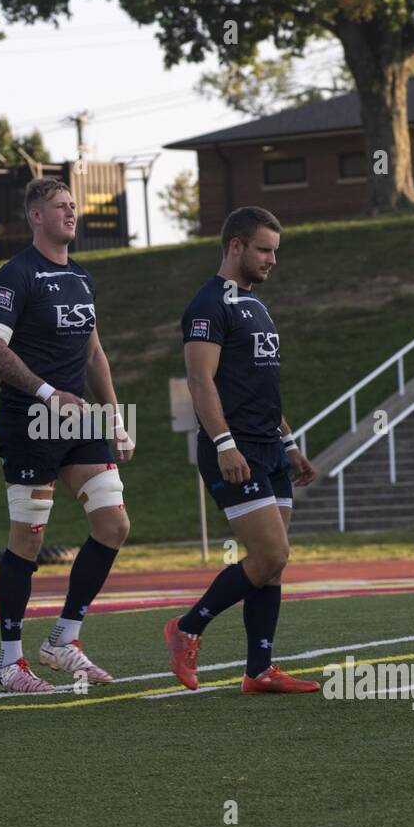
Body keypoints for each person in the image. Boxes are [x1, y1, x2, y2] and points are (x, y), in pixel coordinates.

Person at [0, 177, 134, 694]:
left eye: (73, 205)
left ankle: (63, 639)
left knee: (113, 525)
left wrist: (114, 416)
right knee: (28, 539)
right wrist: (46, 393)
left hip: (78, 419)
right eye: (60, 206)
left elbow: (93, 354)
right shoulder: (15, 275)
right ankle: (8, 663)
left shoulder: (82, 278)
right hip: (29, 418)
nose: (71, 212)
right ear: (35, 217)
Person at [163, 207, 320, 694]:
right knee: (272, 551)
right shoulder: (209, 304)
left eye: (275, 251)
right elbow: (199, 381)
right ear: (235, 246)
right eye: (263, 249)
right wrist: (225, 443)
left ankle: (259, 670)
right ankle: (187, 627)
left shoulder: (255, 304)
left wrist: (290, 443)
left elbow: (261, 389)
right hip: (233, 449)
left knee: (273, 564)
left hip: (269, 447)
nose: (272, 259)